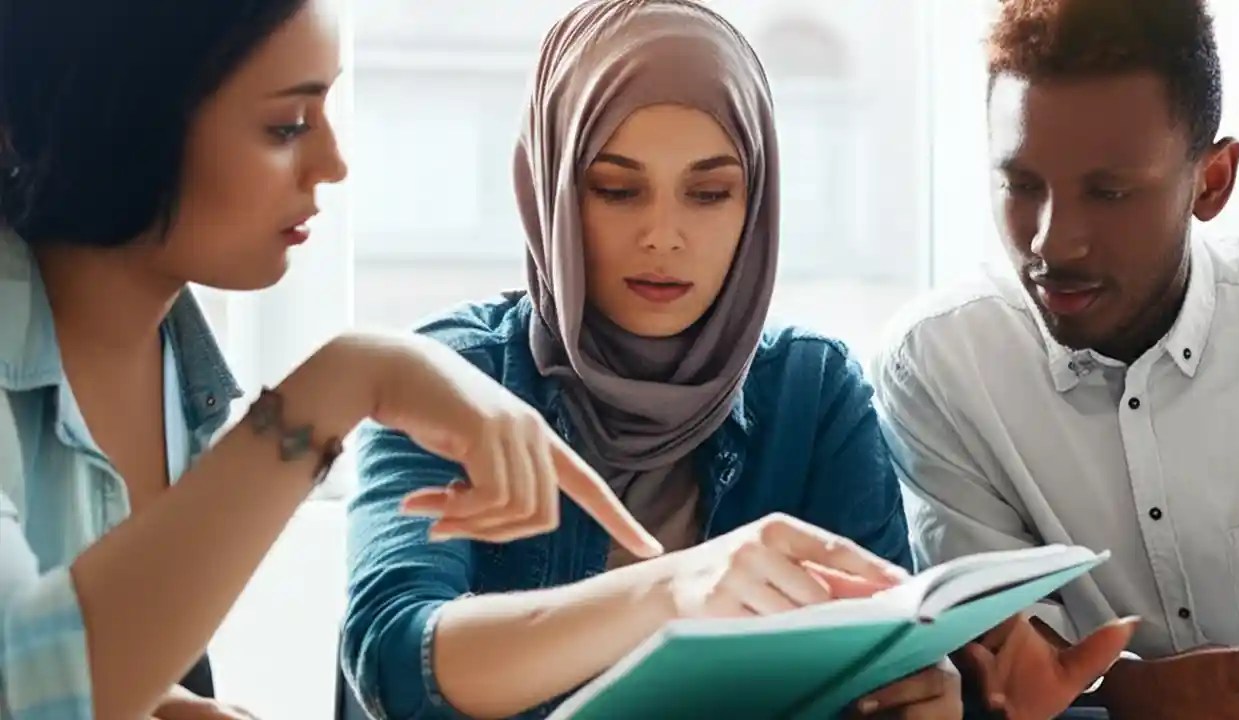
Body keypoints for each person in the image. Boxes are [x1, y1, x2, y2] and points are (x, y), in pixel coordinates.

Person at [0, 2, 660, 719]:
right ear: (117, 119)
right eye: (286, 126)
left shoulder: (177, 372)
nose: (334, 164)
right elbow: (34, 684)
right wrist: (351, 377)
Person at [342, 2, 961, 719]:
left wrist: (917, 689)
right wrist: (673, 590)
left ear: (754, 203)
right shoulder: (457, 377)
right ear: (552, 190)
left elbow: (881, 649)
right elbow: (395, 661)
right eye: (616, 189)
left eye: (708, 193)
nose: (663, 236)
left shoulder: (812, 389)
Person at [872, 0, 1239, 717]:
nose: (1054, 245)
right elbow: (1012, 671)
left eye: (1110, 192)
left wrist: (1125, 688)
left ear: (1210, 183)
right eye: (1021, 185)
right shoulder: (938, 368)